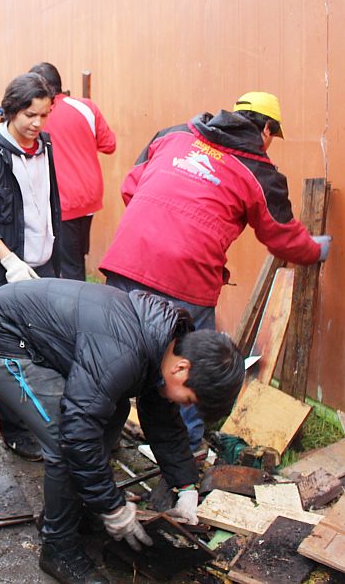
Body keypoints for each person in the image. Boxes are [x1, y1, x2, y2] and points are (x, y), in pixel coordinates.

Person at [0, 278, 244, 584]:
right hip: (3, 337)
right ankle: (58, 548)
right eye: (190, 399)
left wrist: (186, 487)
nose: (185, 405)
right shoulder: (123, 353)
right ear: (182, 369)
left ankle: (72, 509)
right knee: (64, 440)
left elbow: (164, 423)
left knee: (115, 412)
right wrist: (112, 506)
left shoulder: (167, 343)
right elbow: (77, 432)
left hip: (36, 333)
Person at [99, 91, 332, 451]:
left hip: (126, 259)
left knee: (113, 353)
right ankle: (187, 449)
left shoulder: (173, 135)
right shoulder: (258, 171)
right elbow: (281, 237)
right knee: (192, 364)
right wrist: (316, 249)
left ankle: (99, 442)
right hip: (185, 279)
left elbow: (132, 186)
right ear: (266, 129)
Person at [0, 72, 61, 461]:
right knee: (11, 352)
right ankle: (17, 431)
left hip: (43, 263)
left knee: (44, 348)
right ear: (11, 111)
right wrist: (9, 260)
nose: (37, 124)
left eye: (44, 116)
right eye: (30, 116)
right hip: (9, 269)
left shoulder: (45, 145)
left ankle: (43, 416)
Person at [30, 62, 116, 281]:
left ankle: (72, 312)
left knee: (67, 267)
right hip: (89, 196)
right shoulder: (86, 107)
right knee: (77, 257)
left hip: (62, 200)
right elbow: (109, 145)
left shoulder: (37, 116)